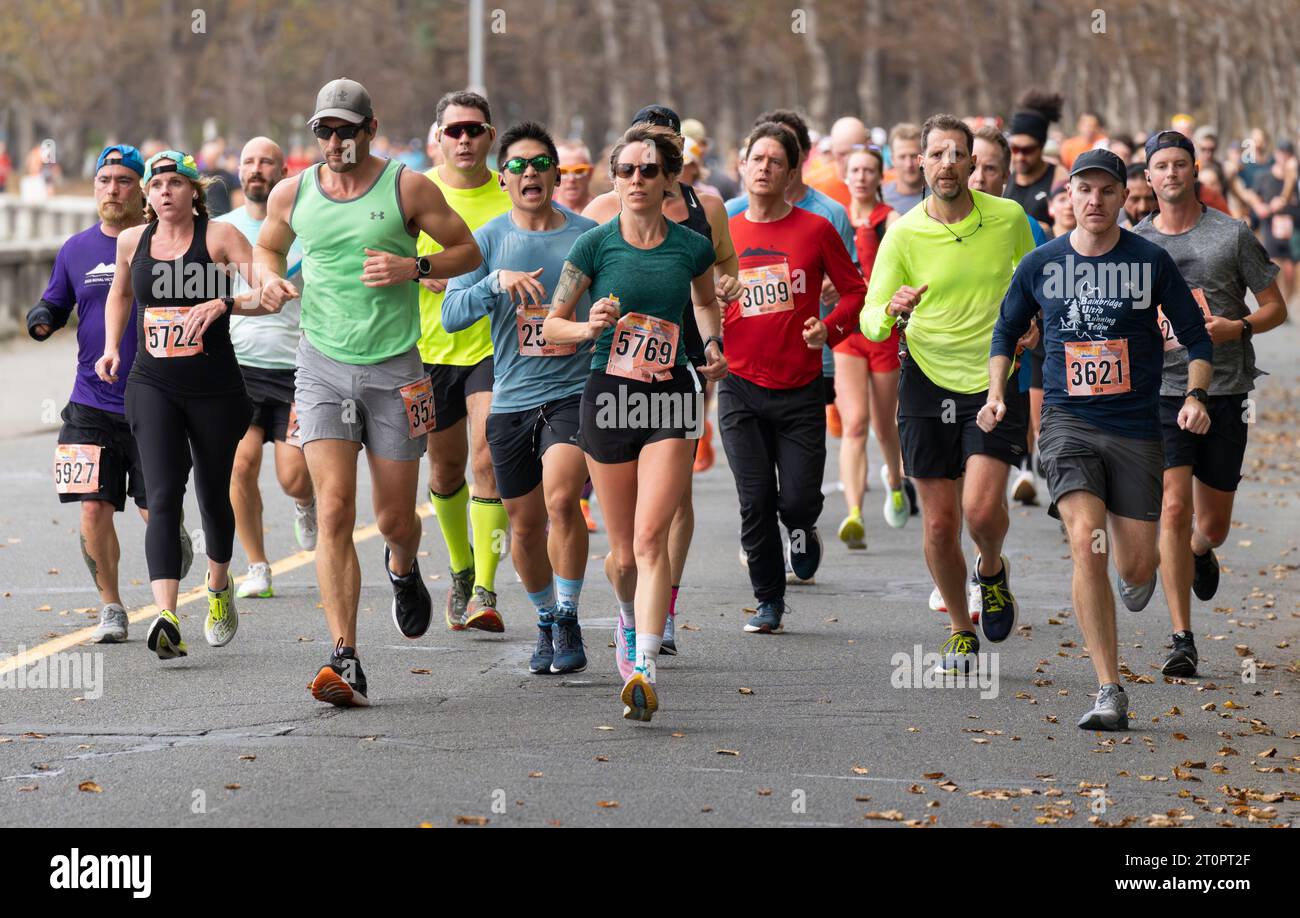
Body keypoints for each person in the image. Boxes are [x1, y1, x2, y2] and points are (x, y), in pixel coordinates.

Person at [256, 78, 480, 706]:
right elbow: (267, 248)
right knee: (333, 509)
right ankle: (345, 656)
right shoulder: (292, 192)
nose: (333, 142)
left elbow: (467, 248)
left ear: (369, 130)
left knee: (394, 519)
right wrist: (269, 281)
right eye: (323, 131)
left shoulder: (407, 186)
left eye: (345, 131)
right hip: (321, 365)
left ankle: (403, 568)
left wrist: (416, 267)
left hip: (397, 371)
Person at [982, 148, 1213, 729]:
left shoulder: (1151, 261)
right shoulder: (1040, 263)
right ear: (1069, 197)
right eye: (1083, 189)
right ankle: (1109, 689)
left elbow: (1197, 338)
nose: (1094, 200)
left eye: (1107, 191)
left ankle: (1132, 577)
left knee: (1136, 568)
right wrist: (995, 393)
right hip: (1068, 424)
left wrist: (1196, 396)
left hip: (1136, 429)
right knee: (1086, 541)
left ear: (1120, 197)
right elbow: (1006, 331)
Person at [544, 123, 727, 721]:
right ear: (614, 179)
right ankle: (626, 621)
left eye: (650, 171)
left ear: (670, 178)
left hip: (671, 397)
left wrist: (712, 343)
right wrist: (591, 327)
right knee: (622, 553)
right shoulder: (594, 246)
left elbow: (703, 298)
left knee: (652, 538)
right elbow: (551, 327)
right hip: (609, 399)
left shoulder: (690, 245)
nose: (638, 180)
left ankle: (645, 665)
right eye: (626, 171)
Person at [861, 114, 1036, 674]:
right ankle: (962, 629)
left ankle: (991, 569)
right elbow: (869, 320)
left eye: (956, 154)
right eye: (934, 154)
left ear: (971, 163)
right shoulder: (904, 233)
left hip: (993, 377)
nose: (945, 164)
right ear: (920, 163)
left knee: (981, 510)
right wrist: (891, 309)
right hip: (927, 378)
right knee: (938, 524)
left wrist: (1034, 323)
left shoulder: (1007, 218)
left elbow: (1035, 285)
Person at [95, 150, 283, 659]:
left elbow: (265, 292)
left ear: (193, 192)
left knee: (212, 494)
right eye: (156, 186)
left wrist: (223, 301)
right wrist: (112, 347)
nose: (164, 192)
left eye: (175, 183)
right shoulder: (134, 240)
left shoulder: (219, 238)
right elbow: (120, 295)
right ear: (146, 195)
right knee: (161, 495)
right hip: (151, 382)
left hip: (214, 388)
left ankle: (218, 587)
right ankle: (167, 616)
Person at [1132, 131, 1289, 677]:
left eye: (1180, 164)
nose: (1171, 174)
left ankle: (1201, 549)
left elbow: (1276, 308)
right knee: (1172, 507)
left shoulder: (1231, 235)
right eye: (1161, 167)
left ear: (1196, 170)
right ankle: (1181, 638)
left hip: (1226, 390)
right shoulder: (1135, 244)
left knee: (1213, 523)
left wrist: (1236, 327)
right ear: (1148, 178)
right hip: (1163, 391)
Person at [584, 104, 739, 655]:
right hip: (617, 372)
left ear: (674, 160)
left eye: (656, 158)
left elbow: (723, 270)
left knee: (674, 497)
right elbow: (581, 264)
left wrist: (725, 300)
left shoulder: (706, 207)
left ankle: (662, 610)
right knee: (628, 538)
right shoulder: (606, 210)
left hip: (686, 358)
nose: (641, 174)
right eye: (633, 161)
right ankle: (636, 609)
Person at [442, 121, 597, 675]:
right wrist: (492, 283)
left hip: (573, 393)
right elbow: (451, 314)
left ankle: (570, 612)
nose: (529, 173)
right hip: (511, 398)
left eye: (539, 164)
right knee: (524, 524)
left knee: (561, 501)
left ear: (555, 174)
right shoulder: (487, 240)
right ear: (503, 178)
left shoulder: (588, 235)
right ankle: (546, 619)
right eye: (517, 166)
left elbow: (621, 299)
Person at [28, 144, 193, 642]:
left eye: (124, 180)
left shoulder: (167, 244)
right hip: (90, 401)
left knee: (152, 510)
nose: (112, 189)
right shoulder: (76, 249)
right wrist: (41, 319)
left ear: (142, 189)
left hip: (155, 398)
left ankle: (168, 533)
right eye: (105, 180)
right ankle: (112, 608)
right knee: (92, 506)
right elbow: (55, 300)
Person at [723, 123, 866, 633]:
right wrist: (714, 306)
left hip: (800, 387)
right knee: (754, 497)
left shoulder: (815, 228)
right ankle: (769, 601)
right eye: (755, 158)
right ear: (742, 165)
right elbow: (694, 297)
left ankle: (802, 528)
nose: (763, 168)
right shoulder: (725, 232)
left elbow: (855, 292)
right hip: (739, 385)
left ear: (791, 172)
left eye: (774, 161)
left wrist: (827, 329)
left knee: (798, 500)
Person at [416, 91, 514, 634]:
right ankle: (459, 568)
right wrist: (422, 267)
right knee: (445, 468)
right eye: (453, 130)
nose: (464, 140)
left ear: (490, 136)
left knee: (487, 459)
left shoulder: (509, 193)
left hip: (493, 347)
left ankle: (485, 588)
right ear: (438, 136)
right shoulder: (416, 190)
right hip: (429, 349)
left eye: (474, 130)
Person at [217, 137, 317, 600]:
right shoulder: (222, 229)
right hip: (239, 367)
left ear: (283, 172)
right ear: (238, 171)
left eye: (267, 162)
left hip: (299, 365)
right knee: (241, 464)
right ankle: (257, 564)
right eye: (249, 161)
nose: (257, 169)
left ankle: (305, 502)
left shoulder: (306, 225)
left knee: (292, 474)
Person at [833, 145, 910, 548]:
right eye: (855, 170)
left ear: (881, 176)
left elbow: (904, 267)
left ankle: (896, 483)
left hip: (881, 329)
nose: (861, 176)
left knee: (885, 424)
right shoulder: (834, 218)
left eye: (869, 170)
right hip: (848, 331)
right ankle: (854, 512)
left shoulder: (892, 221)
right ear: (845, 175)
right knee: (855, 423)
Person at [1007, 91, 1069, 225]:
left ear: (1041, 146)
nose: (1020, 156)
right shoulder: (1005, 176)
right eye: (1015, 149)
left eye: (1027, 150)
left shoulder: (1059, 177)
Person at [881, 123, 925, 213]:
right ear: (892, 159)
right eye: (902, 157)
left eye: (913, 156)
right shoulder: (882, 198)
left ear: (923, 157)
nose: (908, 164)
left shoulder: (939, 196)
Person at [555, 139, 596, 213]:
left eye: (579, 171)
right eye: (563, 171)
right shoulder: (540, 211)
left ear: (590, 173)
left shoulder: (603, 211)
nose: (571, 179)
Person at [1122, 162, 1157, 227]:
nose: (1143, 208)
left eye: (1150, 199)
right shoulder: (1112, 236)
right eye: (1135, 200)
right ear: (1122, 198)